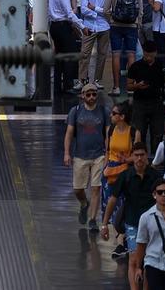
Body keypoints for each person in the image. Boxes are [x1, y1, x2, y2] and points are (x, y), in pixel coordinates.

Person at [102, 142, 160, 281]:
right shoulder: (125, 175)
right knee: (133, 259)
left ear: (147, 156)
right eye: (136, 155)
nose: (139, 158)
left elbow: (164, 199)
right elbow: (113, 199)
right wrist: (104, 224)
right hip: (132, 222)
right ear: (132, 157)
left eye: (142, 155)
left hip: (152, 224)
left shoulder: (155, 176)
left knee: (149, 261)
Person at [65, 83, 112, 227]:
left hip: (99, 155)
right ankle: (84, 203)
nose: (92, 97)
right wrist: (67, 153)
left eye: (94, 94)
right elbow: (69, 133)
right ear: (82, 96)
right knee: (78, 189)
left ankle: (92, 220)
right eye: (88, 94)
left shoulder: (104, 111)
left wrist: (108, 153)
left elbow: (108, 134)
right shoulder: (75, 111)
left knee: (96, 187)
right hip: (80, 155)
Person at [103, 103, 142, 260]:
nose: (111, 116)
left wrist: (127, 159)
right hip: (111, 171)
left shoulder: (133, 132)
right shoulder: (110, 130)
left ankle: (121, 241)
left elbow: (138, 155)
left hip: (125, 171)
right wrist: (105, 168)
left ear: (122, 116)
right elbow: (107, 151)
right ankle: (120, 240)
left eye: (114, 113)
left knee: (123, 206)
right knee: (111, 206)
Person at [104, 0, 143, 96]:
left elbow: (105, 10)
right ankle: (130, 87)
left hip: (116, 25)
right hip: (132, 26)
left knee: (116, 55)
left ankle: (116, 87)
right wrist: (138, 24)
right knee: (132, 55)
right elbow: (140, 11)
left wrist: (111, 19)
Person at [49, 0, 87, 95]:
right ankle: (68, 85)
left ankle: (57, 86)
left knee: (59, 56)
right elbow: (70, 14)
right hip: (62, 26)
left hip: (54, 26)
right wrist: (82, 27)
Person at [128, 41, 165, 154]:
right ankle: (141, 155)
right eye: (146, 55)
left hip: (157, 102)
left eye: (150, 55)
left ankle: (156, 157)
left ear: (155, 53)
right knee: (139, 132)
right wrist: (137, 86)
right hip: (140, 102)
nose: (148, 58)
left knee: (157, 133)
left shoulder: (161, 65)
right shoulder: (136, 66)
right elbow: (128, 85)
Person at [78, 0, 111, 91]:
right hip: (89, 26)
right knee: (84, 53)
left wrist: (94, 8)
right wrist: (99, 13)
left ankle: (97, 80)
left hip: (104, 26)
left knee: (102, 55)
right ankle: (82, 80)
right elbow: (84, 9)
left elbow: (109, 10)